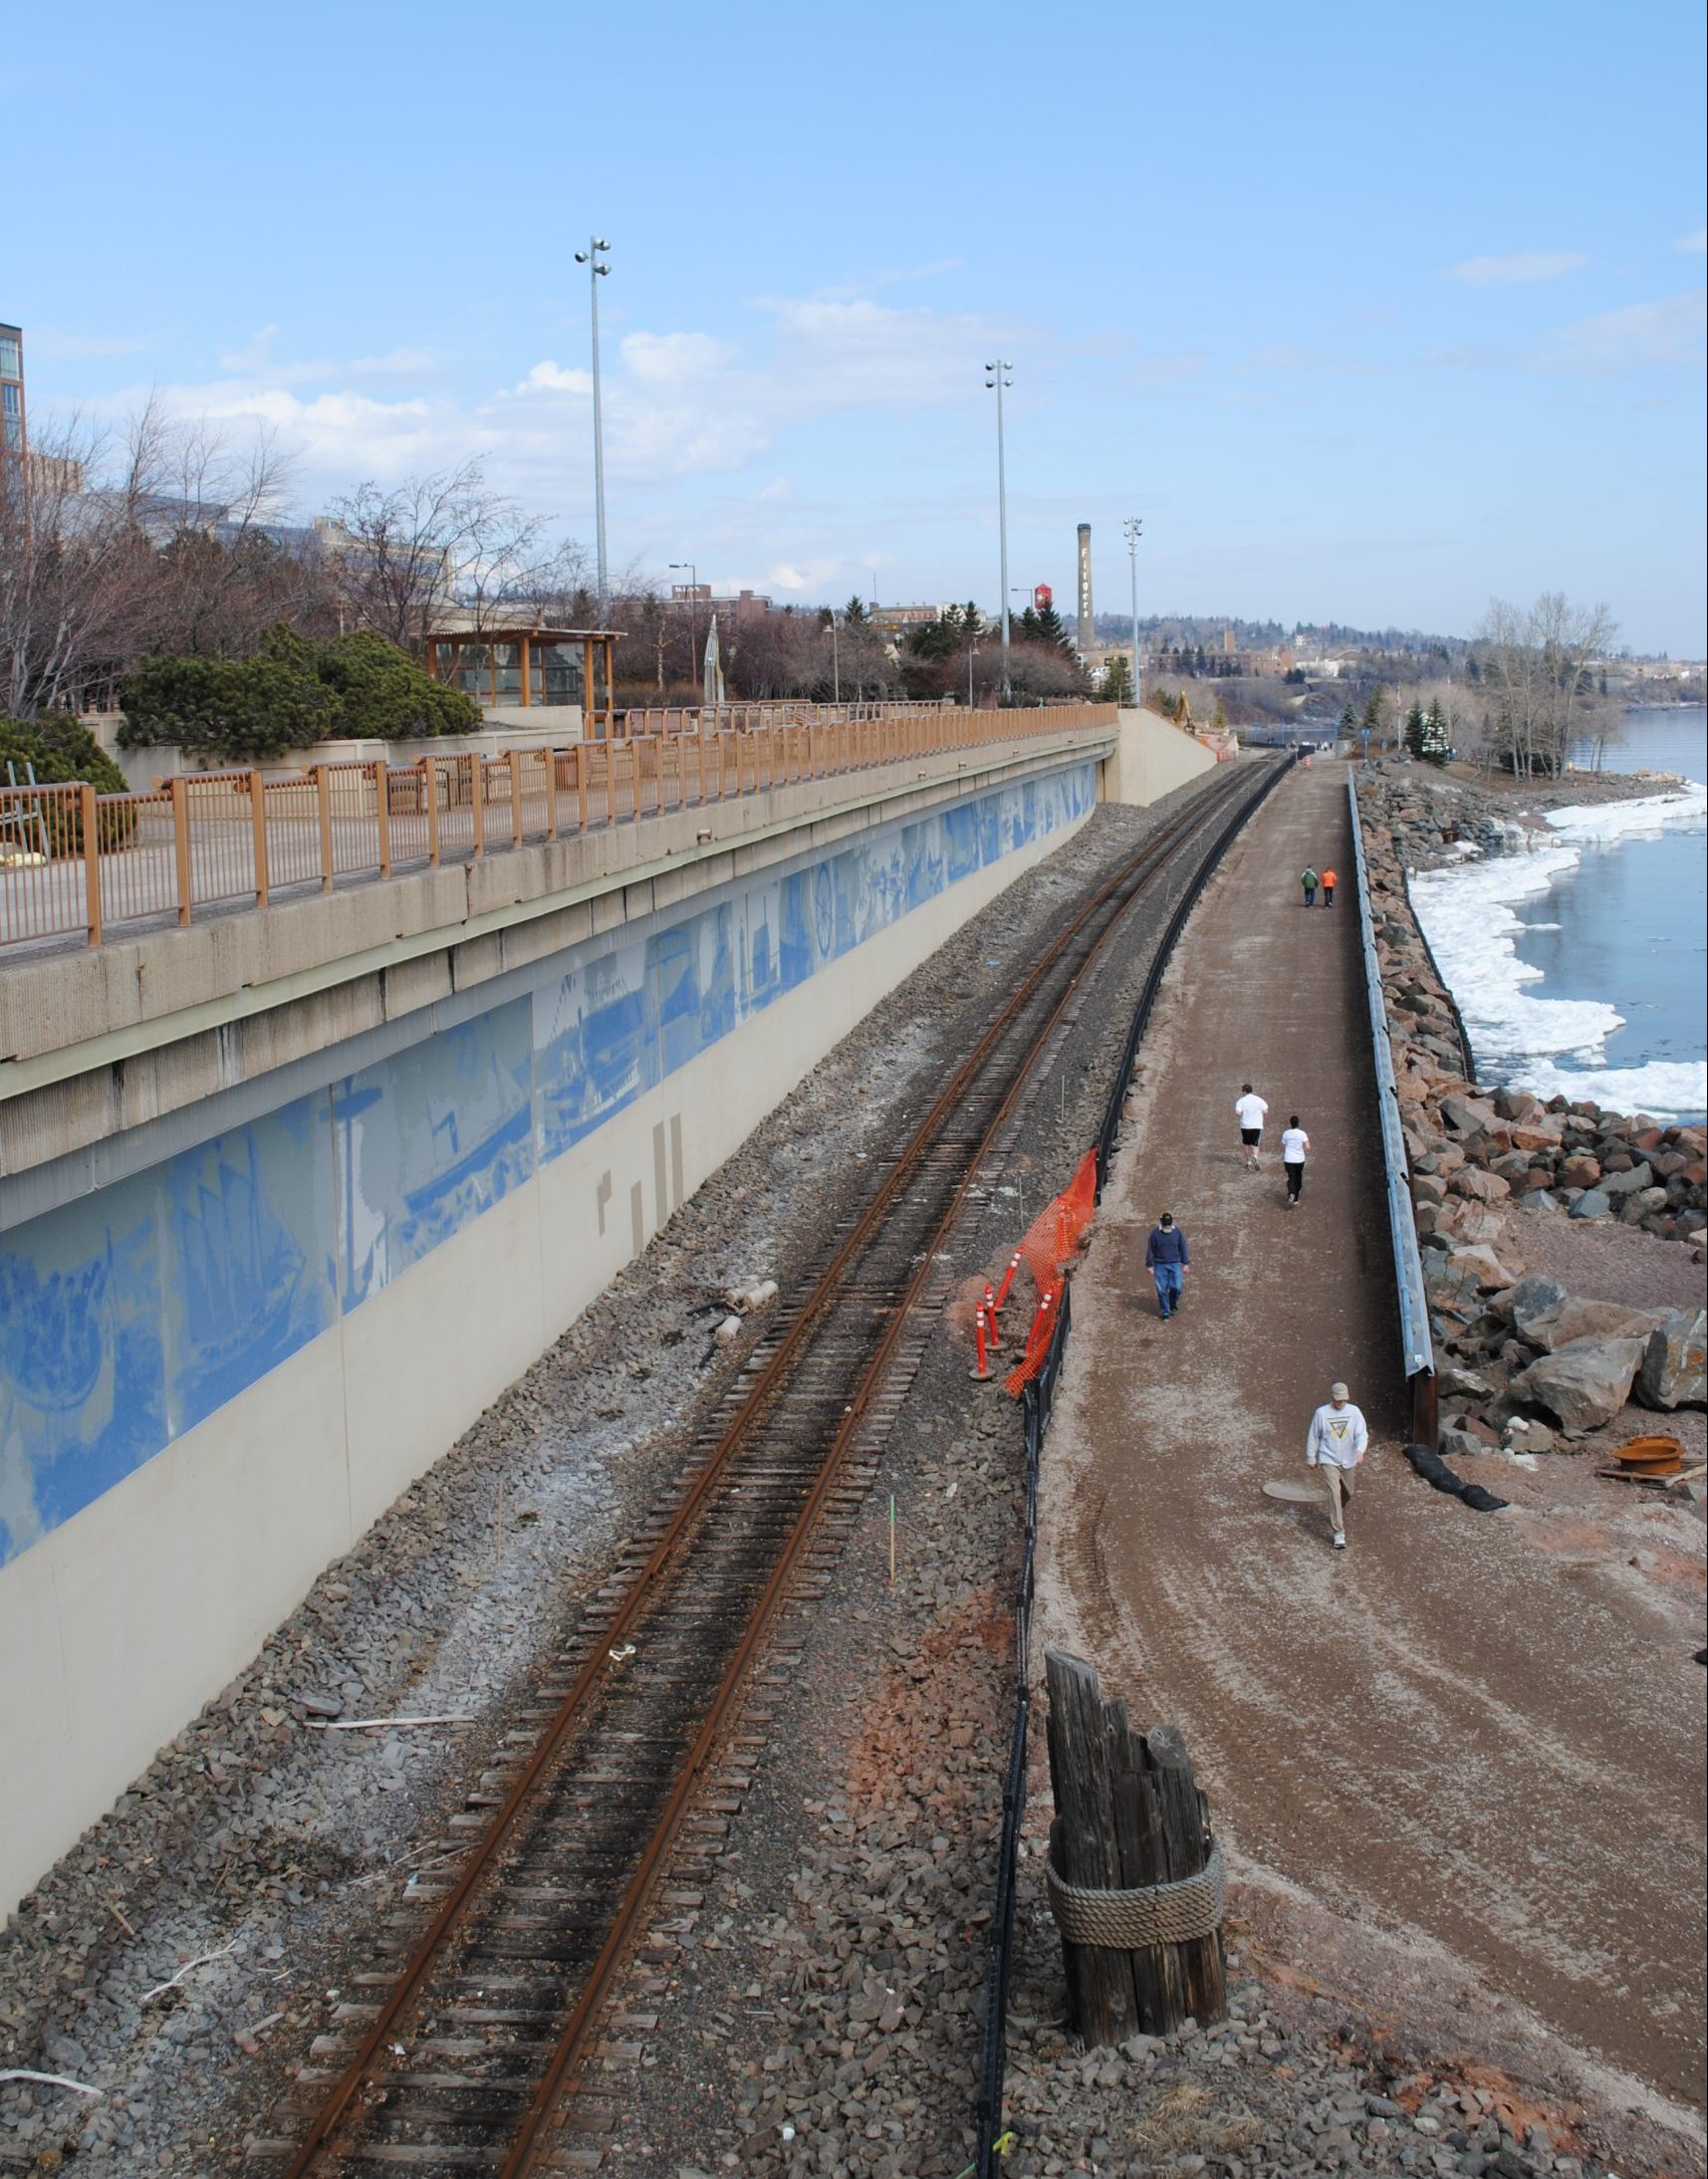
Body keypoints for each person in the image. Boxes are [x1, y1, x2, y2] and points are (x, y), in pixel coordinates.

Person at [1306, 1381, 1367, 1550]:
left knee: (1348, 1492)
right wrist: (1311, 1457)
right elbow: (1314, 1436)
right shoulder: (1321, 1413)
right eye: (1338, 1400)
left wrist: (1360, 1451)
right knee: (1334, 1491)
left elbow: (1361, 1434)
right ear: (1332, 1397)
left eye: (1343, 1400)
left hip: (1349, 1459)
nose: (1341, 1403)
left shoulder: (1354, 1412)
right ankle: (1338, 1532)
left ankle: (1336, 1510)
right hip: (1328, 1459)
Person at [1143, 1211, 1189, 1321]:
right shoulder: (1155, 1234)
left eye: (1169, 1224)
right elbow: (1150, 1250)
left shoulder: (1177, 1232)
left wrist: (1186, 1263)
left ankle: (1172, 1304)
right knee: (1162, 1290)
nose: (1167, 1227)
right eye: (1165, 1224)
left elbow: (1183, 1247)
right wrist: (1150, 1265)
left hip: (1175, 1264)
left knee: (1176, 1287)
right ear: (1161, 1223)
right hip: (1160, 1265)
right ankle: (1165, 1312)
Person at [1234, 1083, 1269, 1170]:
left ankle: (1248, 1163)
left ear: (1244, 1092)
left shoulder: (1241, 1101)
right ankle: (1255, 1157)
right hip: (1257, 1125)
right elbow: (1265, 1112)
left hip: (1245, 1125)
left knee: (1246, 1144)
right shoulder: (1259, 1100)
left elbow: (1238, 1113)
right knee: (1255, 1144)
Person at [1281, 1115, 1310, 1206]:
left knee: (1291, 1177)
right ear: (1298, 1123)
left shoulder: (1286, 1133)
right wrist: (1302, 1150)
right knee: (1298, 1176)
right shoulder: (1302, 1133)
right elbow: (1308, 1147)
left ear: (1290, 1123)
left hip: (1288, 1159)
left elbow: (1284, 1143)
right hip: (1300, 1159)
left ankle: (1291, 1193)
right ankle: (1296, 1197)